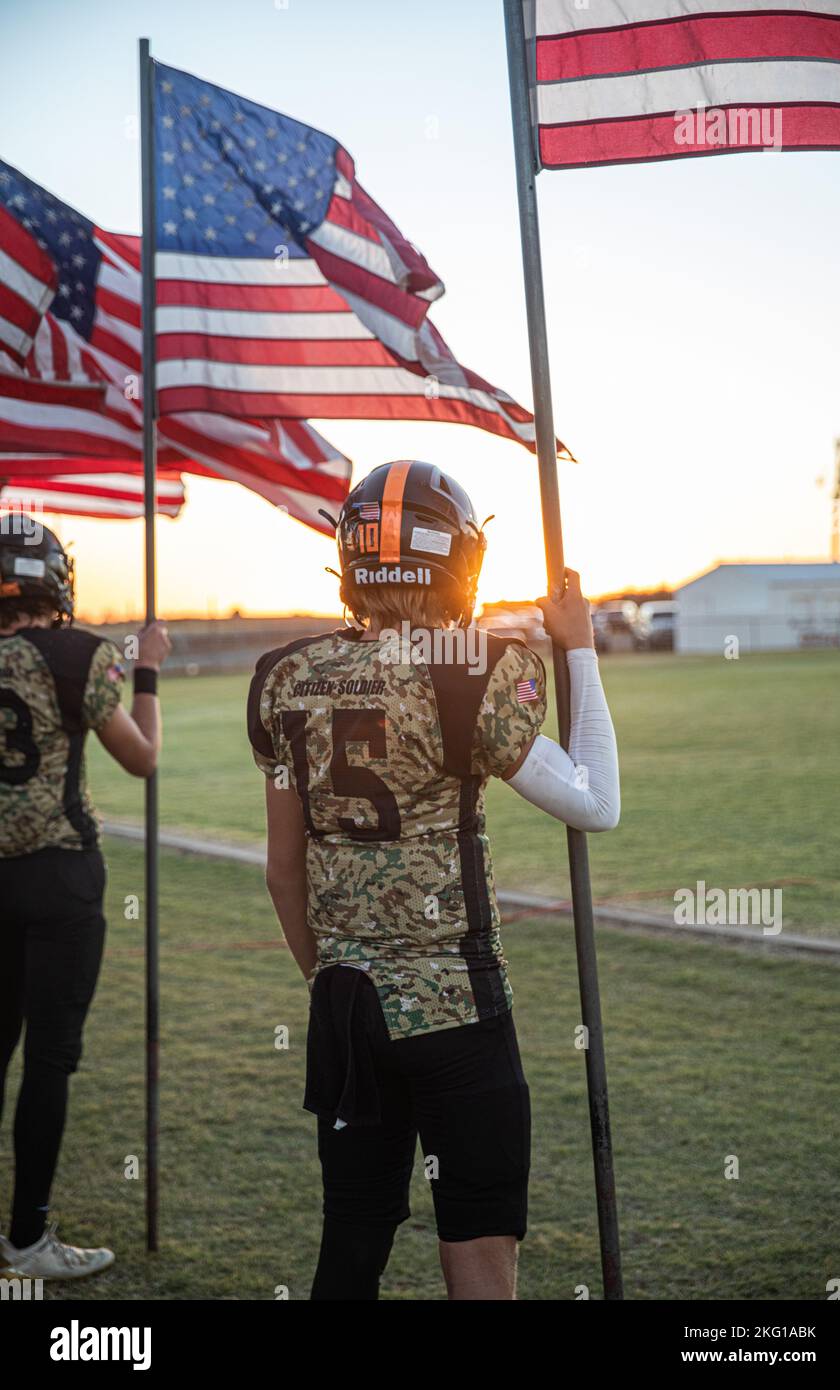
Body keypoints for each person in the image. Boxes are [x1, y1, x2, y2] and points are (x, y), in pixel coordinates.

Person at [247, 460, 620, 1301]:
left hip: (344, 1006)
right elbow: (596, 804)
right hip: (457, 1006)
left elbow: (282, 874)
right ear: (459, 557)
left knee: (350, 1241)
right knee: (477, 1249)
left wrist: (336, 978)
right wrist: (581, 650)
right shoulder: (472, 666)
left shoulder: (283, 676)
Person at [0, 515, 170, 1280]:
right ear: (56, 583)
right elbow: (142, 758)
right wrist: (148, 674)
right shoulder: (83, 654)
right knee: (49, 1063)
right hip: (61, 878)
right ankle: (28, 1238)